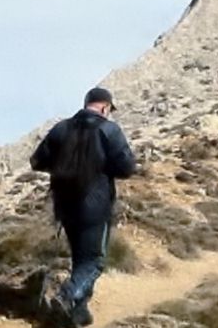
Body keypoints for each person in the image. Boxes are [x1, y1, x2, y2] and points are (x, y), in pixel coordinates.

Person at [30, 87, 136, 326]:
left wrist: (63, 168)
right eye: (109, 110)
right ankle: (66, 296)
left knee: (81, 259)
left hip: (64, 205)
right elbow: (127, 167)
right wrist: (103, 167)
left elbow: (37, 161)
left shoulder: (61, 129)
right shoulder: (109, 129)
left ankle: (78, 314)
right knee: (95, 261)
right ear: (105, 107)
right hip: (95, 206)